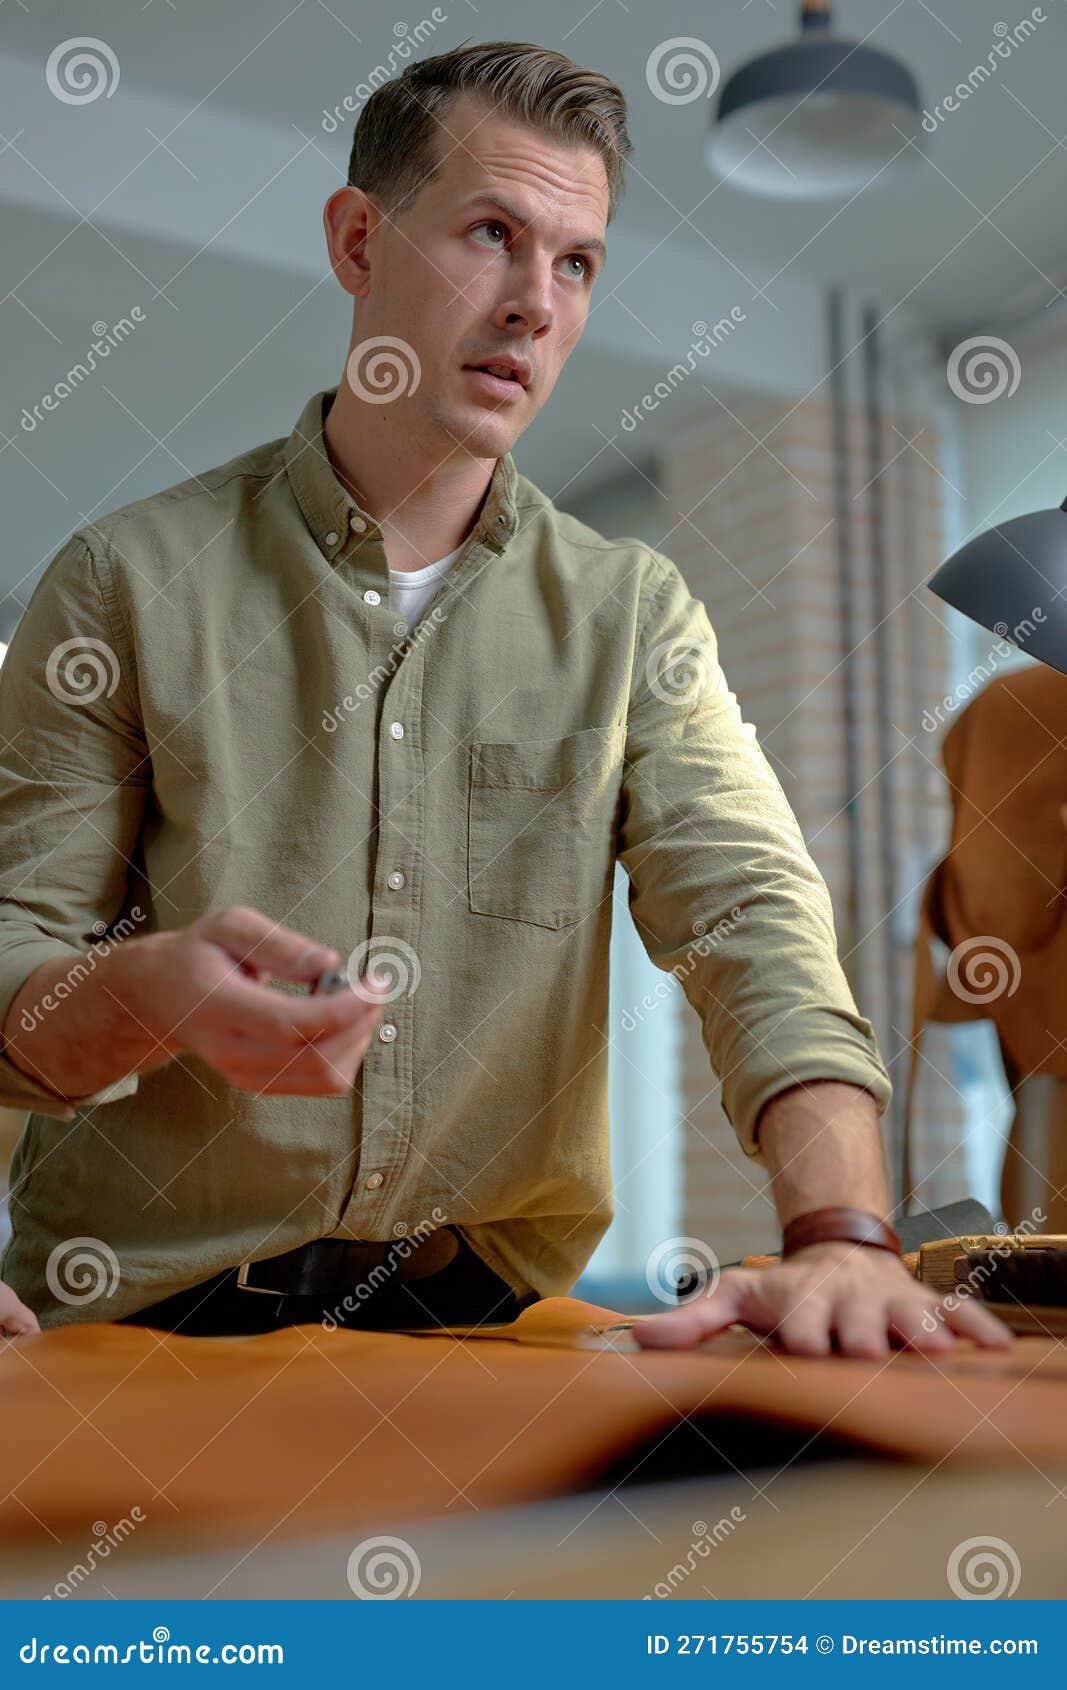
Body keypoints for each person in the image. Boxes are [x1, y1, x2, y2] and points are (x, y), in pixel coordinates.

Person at [0, 41, 1009, 1355]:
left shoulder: (633, 614)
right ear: (359, 240)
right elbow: (14, 976)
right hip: (143, 1325)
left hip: (486, 1334)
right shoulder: (122, 582)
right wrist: (152, 991)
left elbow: (751, 914)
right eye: (492, 233)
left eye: (578, 261)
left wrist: (843, 1237)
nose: (537, 302)